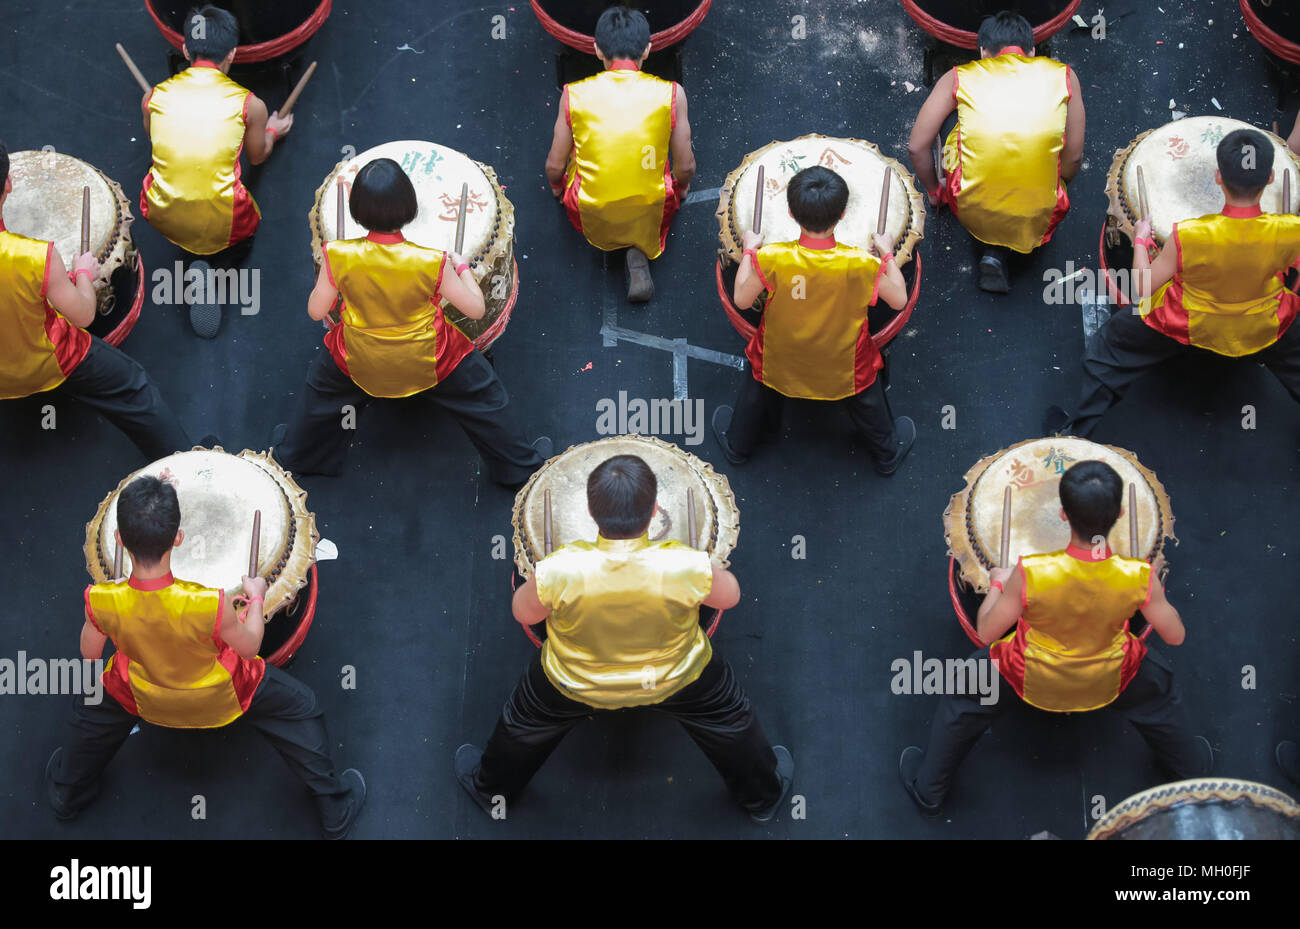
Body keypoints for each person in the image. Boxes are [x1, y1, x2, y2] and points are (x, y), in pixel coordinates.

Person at [456, 455, 793, 821]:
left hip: (573, 680)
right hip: (679, 676)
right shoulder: (684, 564)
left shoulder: (559, 568)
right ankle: (762, 799)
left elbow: (524, 613)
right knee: (730, 719)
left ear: (588, 511)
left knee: (522, 724)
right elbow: (729, 596)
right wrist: (702, 566)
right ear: (655, 513)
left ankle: (492, 792)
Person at [44, 475, 366, 838]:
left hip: (142, 692)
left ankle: (67, 793)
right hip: (220, 692)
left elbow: (89, 656)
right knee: (302, 707)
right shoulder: (209, 604)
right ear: (178, 538)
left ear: (118, 540)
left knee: (89, 710)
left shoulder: (100, 599)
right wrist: (257, 598)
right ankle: (334, 807)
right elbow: (249, 648)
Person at [900, 461, 1212, 814]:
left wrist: (998, 585)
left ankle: (930, 790)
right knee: (1161, 694)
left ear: (1063, 515)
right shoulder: (1137, 575)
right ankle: (1193, 776)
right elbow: (1175, 636)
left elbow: (987, 632)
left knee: (964, 694)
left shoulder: (1031, 572)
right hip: (1111, 673)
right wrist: (1152, 586)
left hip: (1028, 670)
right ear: (1122, 513)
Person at [271, 158, 549, 486]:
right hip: (431, 358)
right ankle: (518, 468)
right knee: (486, 399)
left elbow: (317, 312)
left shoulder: (337, 255)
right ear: (410, 207)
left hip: (360, 357)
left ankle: (300, 456)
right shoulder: (433, 261)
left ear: (356, 211)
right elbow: (475, 309)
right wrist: (461, 269)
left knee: (322, 393)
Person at [1046, 128, 1300, 438]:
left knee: (1107, 350)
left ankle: (1077, 434)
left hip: (1186, 321)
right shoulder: (1292, 231)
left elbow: (1142, 287)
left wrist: (1140, 241)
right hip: (1266, 322)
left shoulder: (1189, 235)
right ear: (1271, 178)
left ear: (1218, 177)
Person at [711, 165, 916, 473]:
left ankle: (738, 446)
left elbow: (741, 298)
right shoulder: (862, 264)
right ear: (844, 213)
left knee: (758, 380)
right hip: (843, 361)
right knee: (866, 393)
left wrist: (751, 251)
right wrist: (886, 254)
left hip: (781, 356)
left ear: (791, 214)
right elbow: (899, 298)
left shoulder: (772, 258)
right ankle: (887, 456)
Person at [0, 144, 191, 460]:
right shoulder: (35, 258)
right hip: (46, 360)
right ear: (9, 184)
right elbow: (84, 314)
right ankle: (186, 464)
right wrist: (84, 274)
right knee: (134, 387)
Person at [139, 4, 293, 338]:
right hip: (223, 219)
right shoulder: (249, 105)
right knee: (242, 228)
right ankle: (219, 272)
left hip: (160, 212)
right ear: (233, 54)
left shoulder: (153, 97)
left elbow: (156, 143)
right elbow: (258, 157)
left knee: (180, 200)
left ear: (184, 49)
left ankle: (191, 256)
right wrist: (272, 131)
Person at [907, 11, 1084, 293]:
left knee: (955, 129)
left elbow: (917, 147)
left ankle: (991, 246)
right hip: (1043, 213)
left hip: (971, 210)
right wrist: (1058, 184)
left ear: (982, 52)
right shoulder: (1064, 76)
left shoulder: (959, 77)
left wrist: (933, 190)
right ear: (1032, 50)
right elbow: (1074, 157)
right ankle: (1009, 247)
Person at [544, 4, 696, 303]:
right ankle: (636, 248)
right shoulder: (672, 93)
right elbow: (686, 167)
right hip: (652, 203)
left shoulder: (573, 94)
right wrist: (680, 189)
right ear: (648, 50)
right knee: (656, 164)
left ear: (598, 50)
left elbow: (554, 164)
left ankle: (612, 243)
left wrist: (558, 189)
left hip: (590, 207)